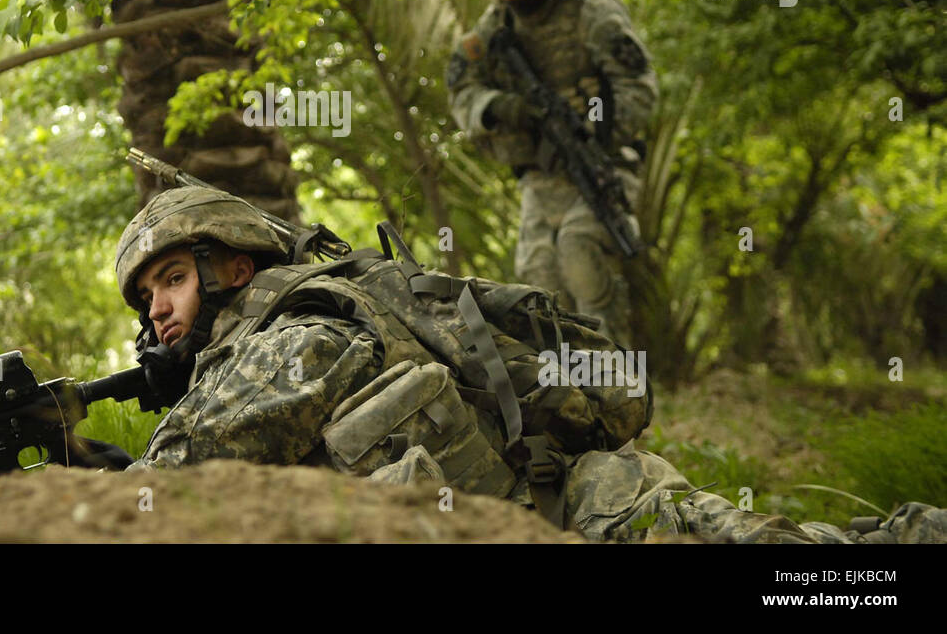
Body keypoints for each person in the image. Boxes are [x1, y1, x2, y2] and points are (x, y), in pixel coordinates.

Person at [113, 185, 946, 544]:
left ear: (236, 271)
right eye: (148, 294)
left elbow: (180, 471)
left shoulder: (293, 340)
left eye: (174, 279)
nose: (158, 309)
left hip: (590, 512)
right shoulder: (284, 335)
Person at [446, 0, 657, 337]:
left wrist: (589, 128)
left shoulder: (591, 10)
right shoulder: (495, 26)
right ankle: (564, 397)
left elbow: (638, 90)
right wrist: (500, 107)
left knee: (581, 253)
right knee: (536, 283)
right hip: (541, 179)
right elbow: (459, 83)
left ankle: (614, 387)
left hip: (603, 165)